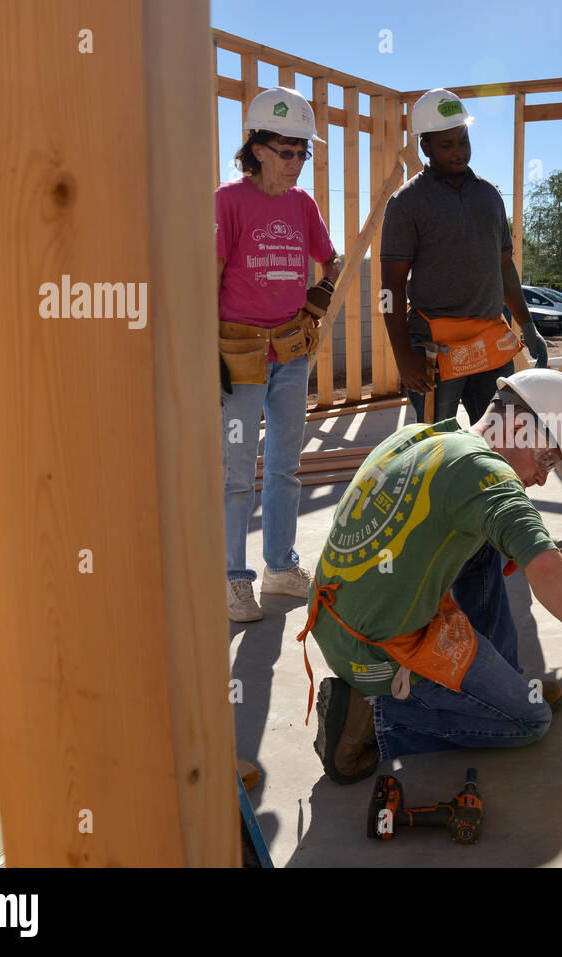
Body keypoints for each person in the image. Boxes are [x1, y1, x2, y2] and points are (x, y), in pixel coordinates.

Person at [298, 369, 562, 784]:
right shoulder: (485, 474)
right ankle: (373, 717)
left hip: (336, 617)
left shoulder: (425, 437)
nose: (543, 477)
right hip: (376, 655)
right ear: (521, 427)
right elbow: (545, 565)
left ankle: (503, 684)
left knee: (486, 548)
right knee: (531, 721)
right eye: (547, 458)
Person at [218, 86, 340, 622]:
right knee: (236, 473)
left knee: (286, 468)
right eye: (286, 151)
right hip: (239, 355)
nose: (295, 163)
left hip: (290, 353)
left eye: (302, 153)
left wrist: (321, 293)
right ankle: (231, 578)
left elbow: (329, 259)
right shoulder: (228, 200)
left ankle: (280, 567)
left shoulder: (302, 205)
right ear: (258, 148)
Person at [381, 87, 549, 426]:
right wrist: (403, 356)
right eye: (446, 145)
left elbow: (504, 268)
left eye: (464, 141)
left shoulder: (489, 196)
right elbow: (391, 288)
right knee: (439, 442)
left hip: (489, 340)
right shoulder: (406, 203)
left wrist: (528, 325)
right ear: (424, 146)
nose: (459, 152)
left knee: (500, 439)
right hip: (435, 344)